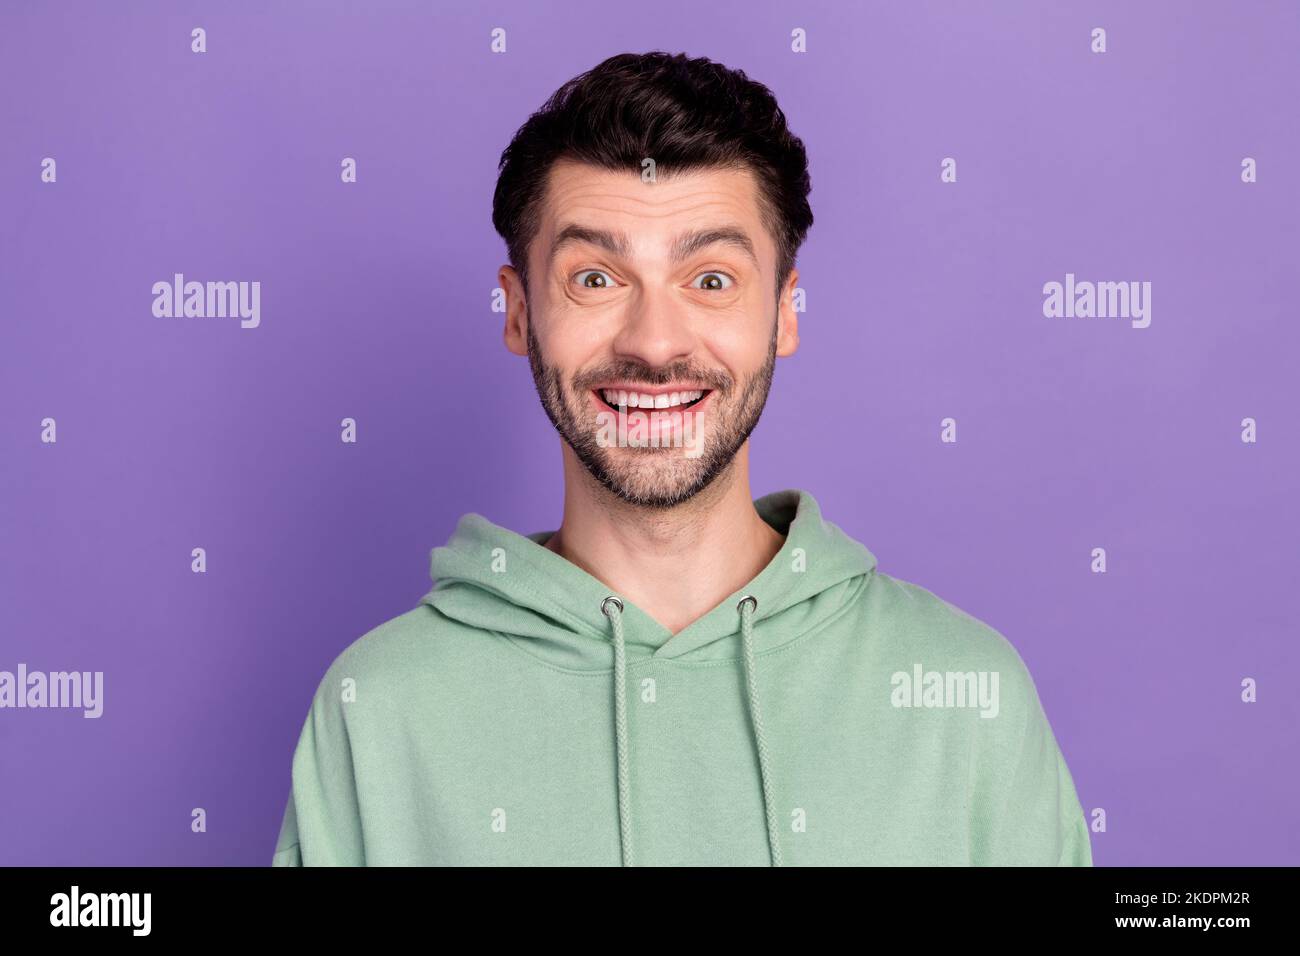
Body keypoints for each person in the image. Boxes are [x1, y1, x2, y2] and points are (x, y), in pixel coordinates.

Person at [272, 51, 1091, 866]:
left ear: (784, 314)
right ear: (521, 312)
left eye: (711, 279)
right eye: (595, 278)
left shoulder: (966, 693)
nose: (654, 343)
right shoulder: (376, 708)